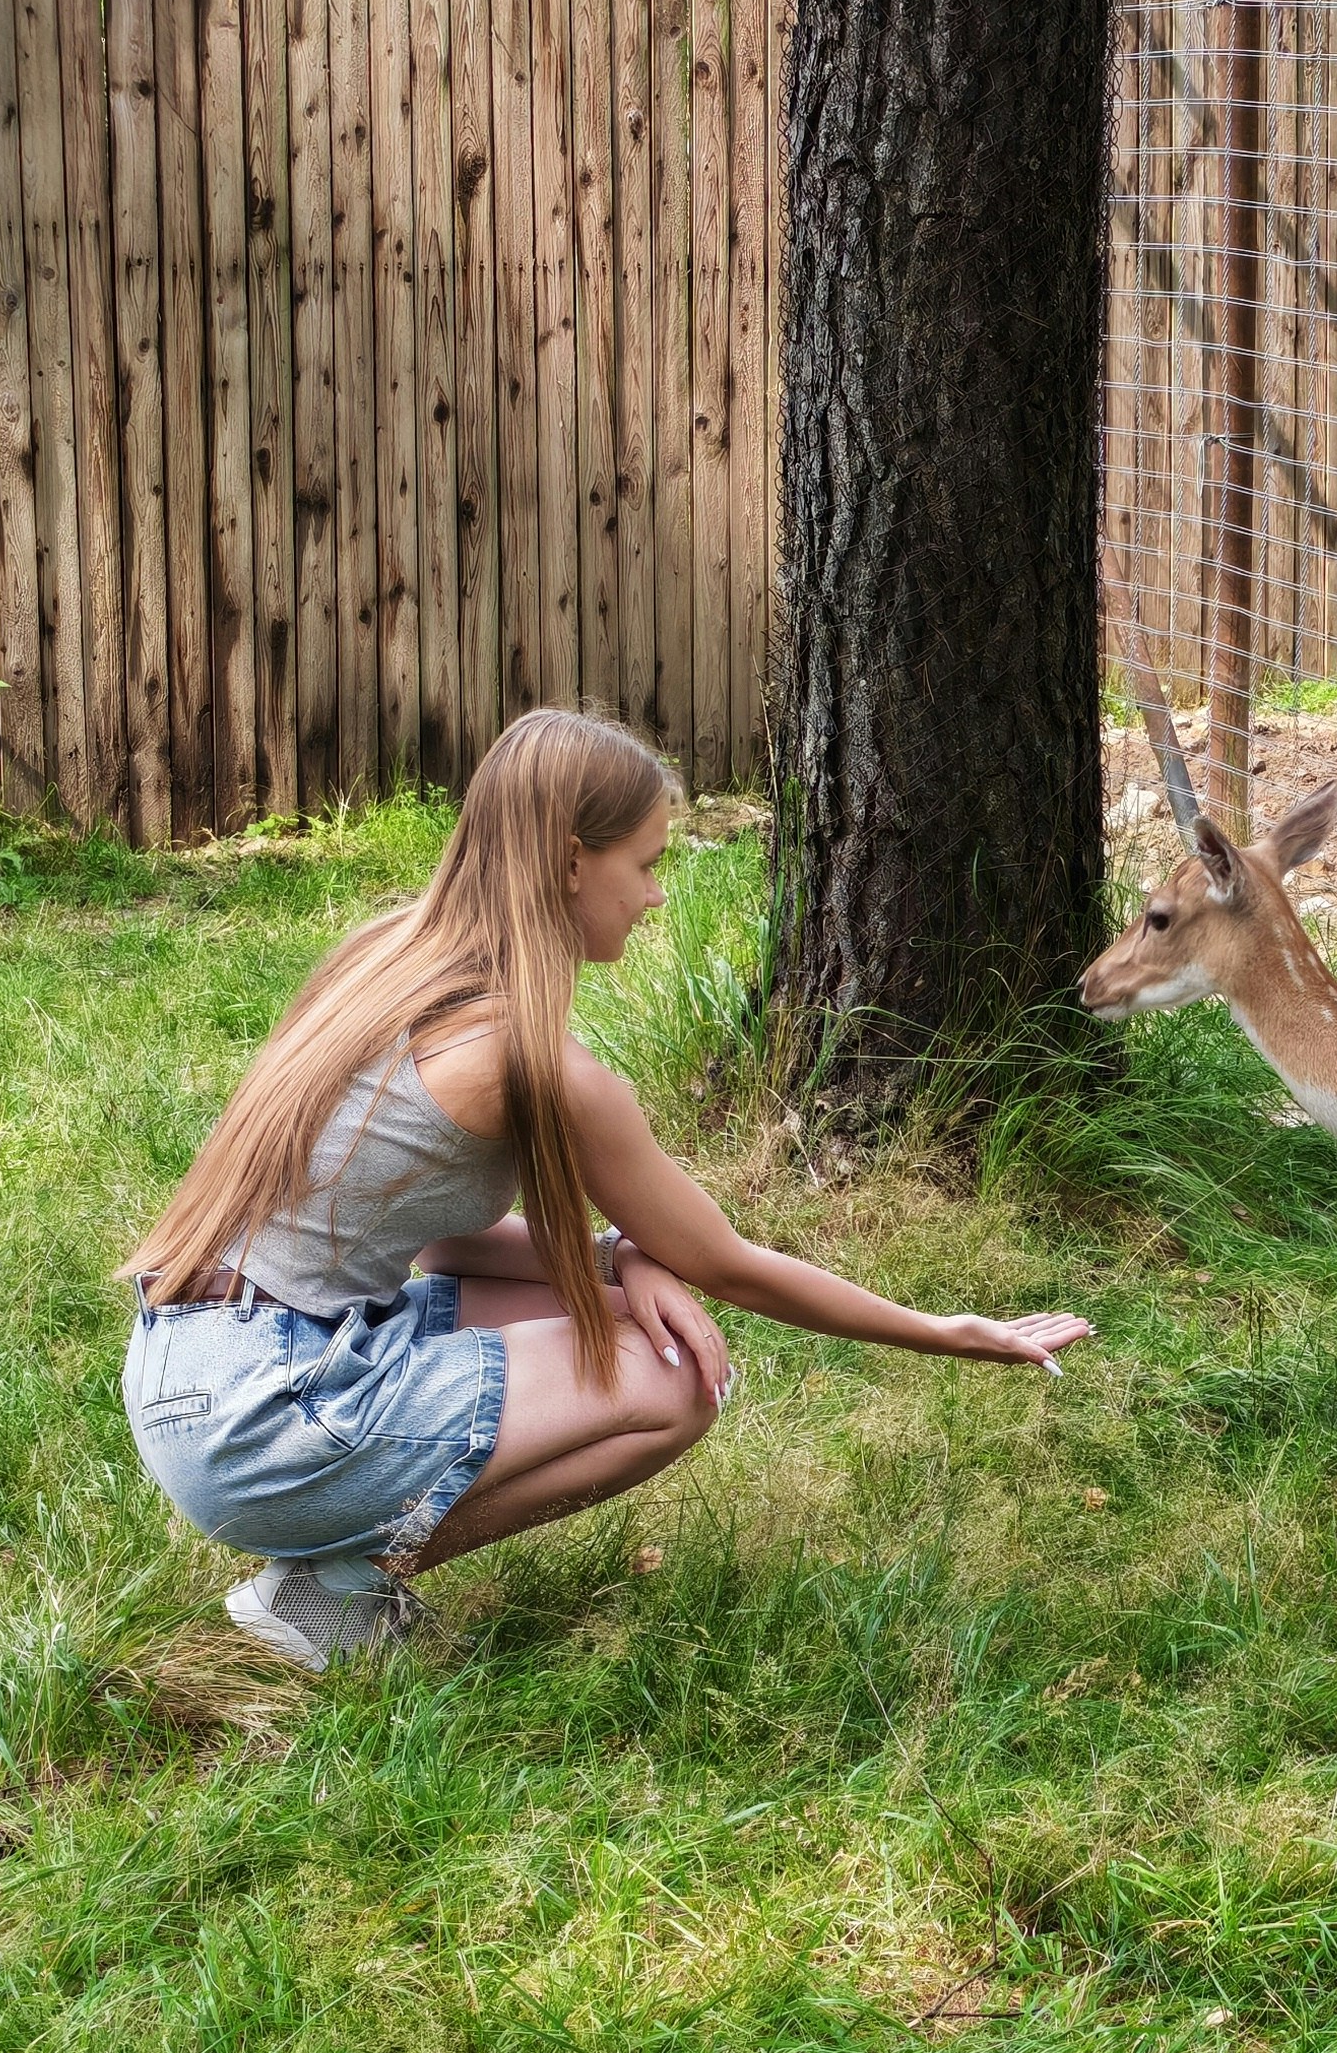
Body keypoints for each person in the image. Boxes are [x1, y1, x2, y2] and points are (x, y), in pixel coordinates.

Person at [118, 709, 1093, 1667]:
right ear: (572, 860)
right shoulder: (529, 1059)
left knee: (628, 1320)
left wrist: (622, 1259)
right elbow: (730, 1269)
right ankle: (334, 1587)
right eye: (649, 863)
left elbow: (444, 1245)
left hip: (191, 1368)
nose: (656, 897)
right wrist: (947, 1331)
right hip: (265, 1413)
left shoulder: (389, 959)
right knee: (675, 1379)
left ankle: (327, 1572)